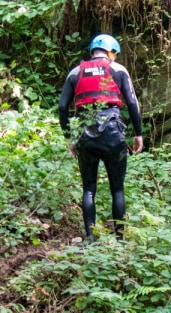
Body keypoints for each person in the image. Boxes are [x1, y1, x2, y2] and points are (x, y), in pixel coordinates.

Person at [57, 34, 144, 243]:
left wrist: (69, 137)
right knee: (117, 189)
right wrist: (138, 133)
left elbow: (62, 107)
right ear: (110, 52)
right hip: (113, 135)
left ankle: (90, 238)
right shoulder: (118, 70)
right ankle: (120, 239)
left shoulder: (75, 72)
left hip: (86, 137)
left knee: (88, 188)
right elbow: (132, 103)